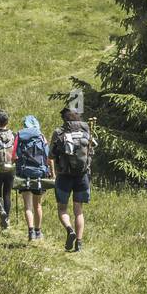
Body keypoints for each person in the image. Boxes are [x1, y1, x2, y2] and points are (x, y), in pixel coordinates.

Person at [49, 106, 95, 253]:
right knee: (79, 211)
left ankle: (70, 230)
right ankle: (79, 243)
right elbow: (91, 151)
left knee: (62, 208)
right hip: (82, 176)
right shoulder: (86, 131)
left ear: (64, 119)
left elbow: (50, 155)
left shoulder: (59, 132)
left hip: (64, 176)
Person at [13, 114, 50, 242]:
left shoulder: (19, 135)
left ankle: (30, 232)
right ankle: (38, 232)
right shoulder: (41, 136)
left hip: (24, 173)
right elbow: (47, 156)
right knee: (38, 205)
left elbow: (14, 156)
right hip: (39, 173)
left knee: (27, 205)